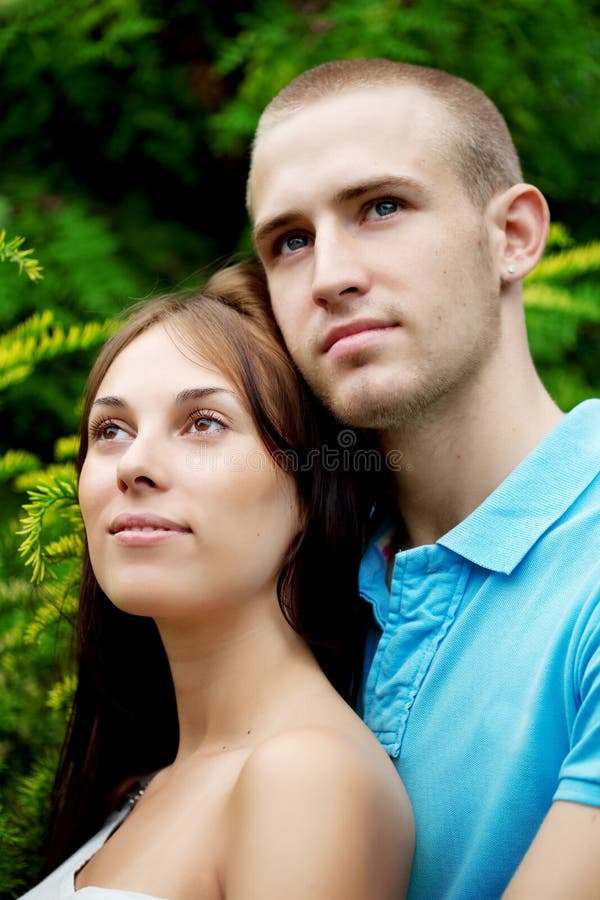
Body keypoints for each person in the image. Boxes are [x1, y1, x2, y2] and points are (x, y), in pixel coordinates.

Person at [246, 58, 600, 899]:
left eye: (382, 208)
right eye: (290, 241)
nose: (330, 276)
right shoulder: (282, 570)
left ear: (511, 236)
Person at [19, 263, 413, 899]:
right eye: (110, 430)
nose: (135, 466)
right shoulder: (136, 789)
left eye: (203, 423)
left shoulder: (307, 778)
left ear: (312, 492)